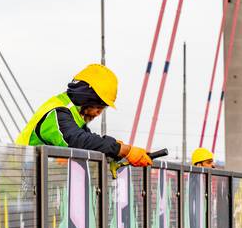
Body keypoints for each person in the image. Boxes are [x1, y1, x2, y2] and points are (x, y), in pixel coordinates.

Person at [16, 63, 152, 167]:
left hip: (34, 180)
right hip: (19, 178)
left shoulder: (72, 114)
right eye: (98, 107)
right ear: (85, 99)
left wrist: (113, 153)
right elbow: (78, 141)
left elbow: (91, 142)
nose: (98, 113)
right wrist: (123, 150)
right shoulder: (57, 113)